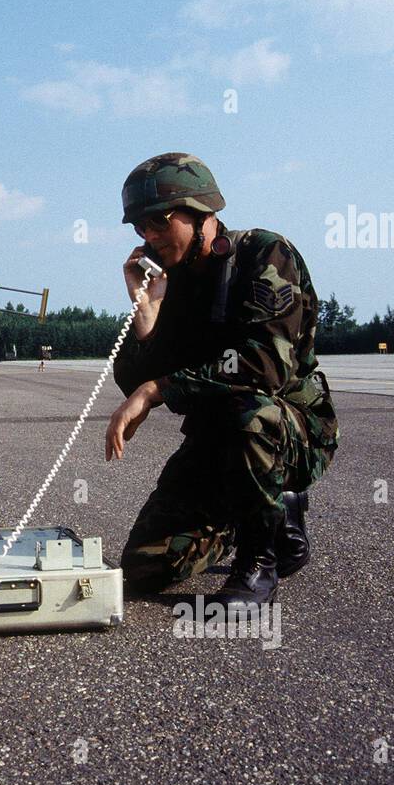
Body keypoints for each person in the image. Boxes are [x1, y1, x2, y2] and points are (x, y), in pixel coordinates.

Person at [104, 153, 339, 610]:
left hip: (286, 430)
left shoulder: (264, 255)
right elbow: (130, 378)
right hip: (216, 441)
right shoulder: (170, 280)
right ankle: (260, 510)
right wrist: (147, 315)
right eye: (139, 228)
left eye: (158, 222)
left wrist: (158, 390)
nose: (148, 236)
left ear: (202, 214)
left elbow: (264, 365)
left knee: (246, 413)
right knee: (145, 568)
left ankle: (258, 559)